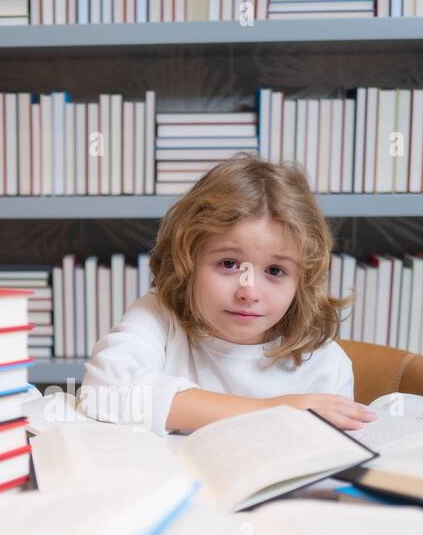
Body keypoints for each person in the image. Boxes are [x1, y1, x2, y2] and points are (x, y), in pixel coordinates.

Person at [79, 154, 377, 436]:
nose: (249, 291)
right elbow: (104, 391)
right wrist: (274, 409)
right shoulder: (159, 316)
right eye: (229, 264)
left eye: (275, 271)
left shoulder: (325, 365)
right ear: (187, 262)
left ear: (303, 280)